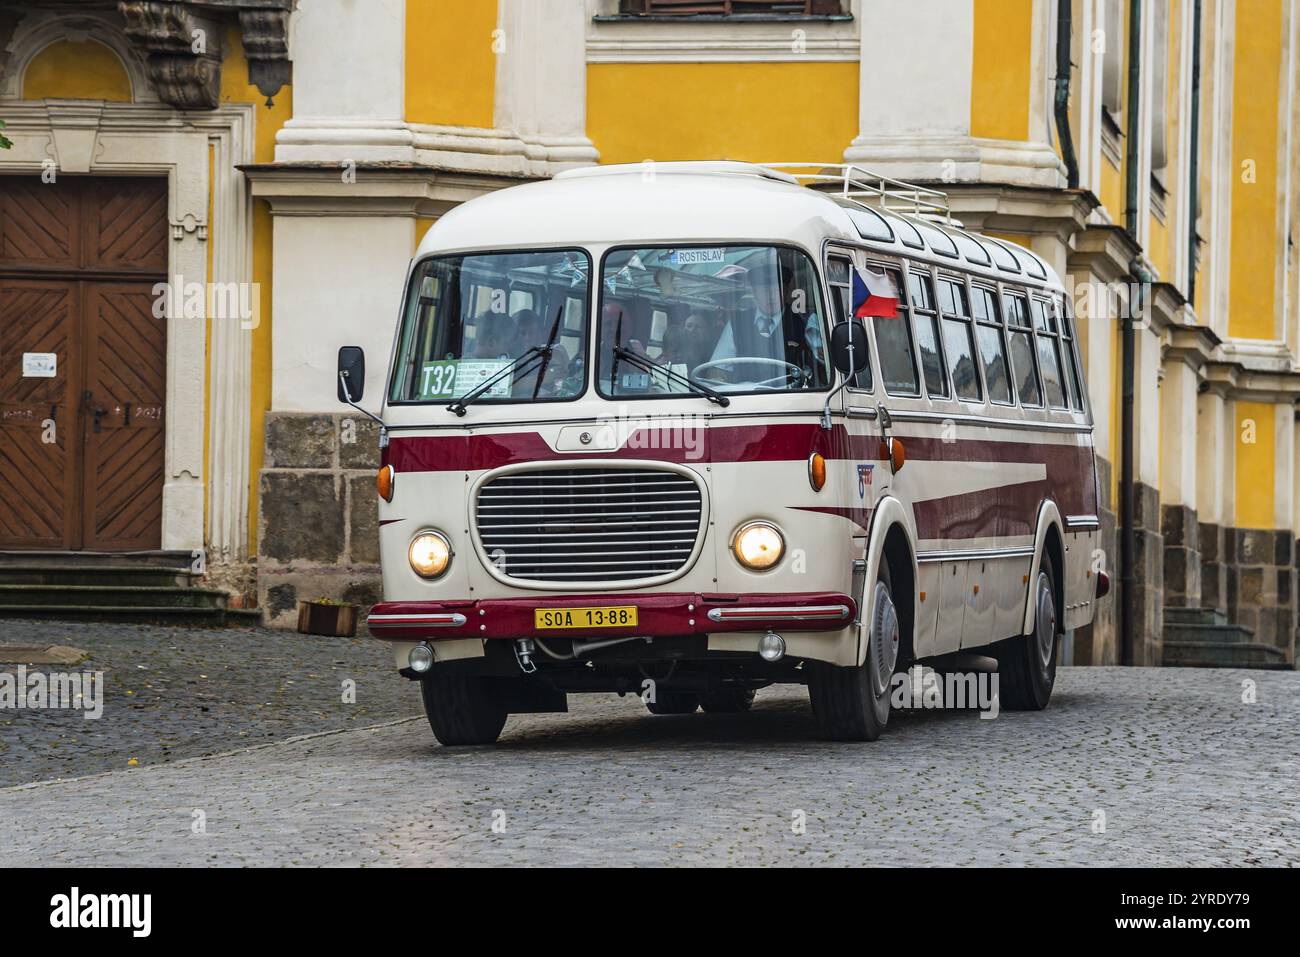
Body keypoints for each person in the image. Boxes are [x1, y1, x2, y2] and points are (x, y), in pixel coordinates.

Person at [708, 256, 824, 382]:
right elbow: (719, 368)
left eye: (776, 289)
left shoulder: (805, 321)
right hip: (748, 397)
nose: (770, 296)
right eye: (764, 290)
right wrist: (718, 381)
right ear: (754, 292)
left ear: (786, 291)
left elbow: (823, 363)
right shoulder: (737, 323)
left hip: (793, 395)